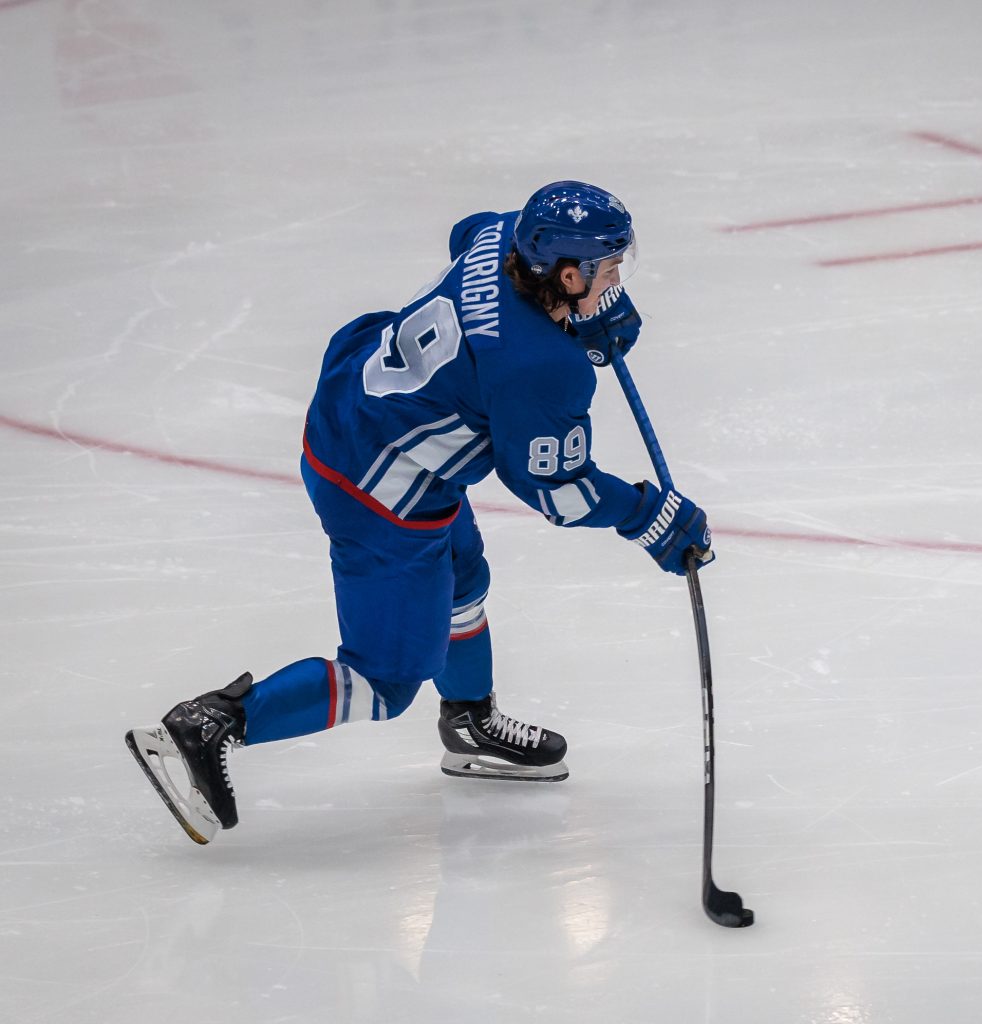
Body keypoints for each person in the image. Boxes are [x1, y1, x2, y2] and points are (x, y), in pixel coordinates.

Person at [125, 181, 714, 845]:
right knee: (385, 680)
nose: (616, 282)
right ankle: (211, 725)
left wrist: (581, 312)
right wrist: (650, 516)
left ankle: (470, 722)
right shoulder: (543, 369)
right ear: (569, 274)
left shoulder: (504, 236)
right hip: (377, 490)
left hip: (362, 407)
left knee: (463, 578)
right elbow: (558, 491)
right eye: (607, 272)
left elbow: (469, 230)